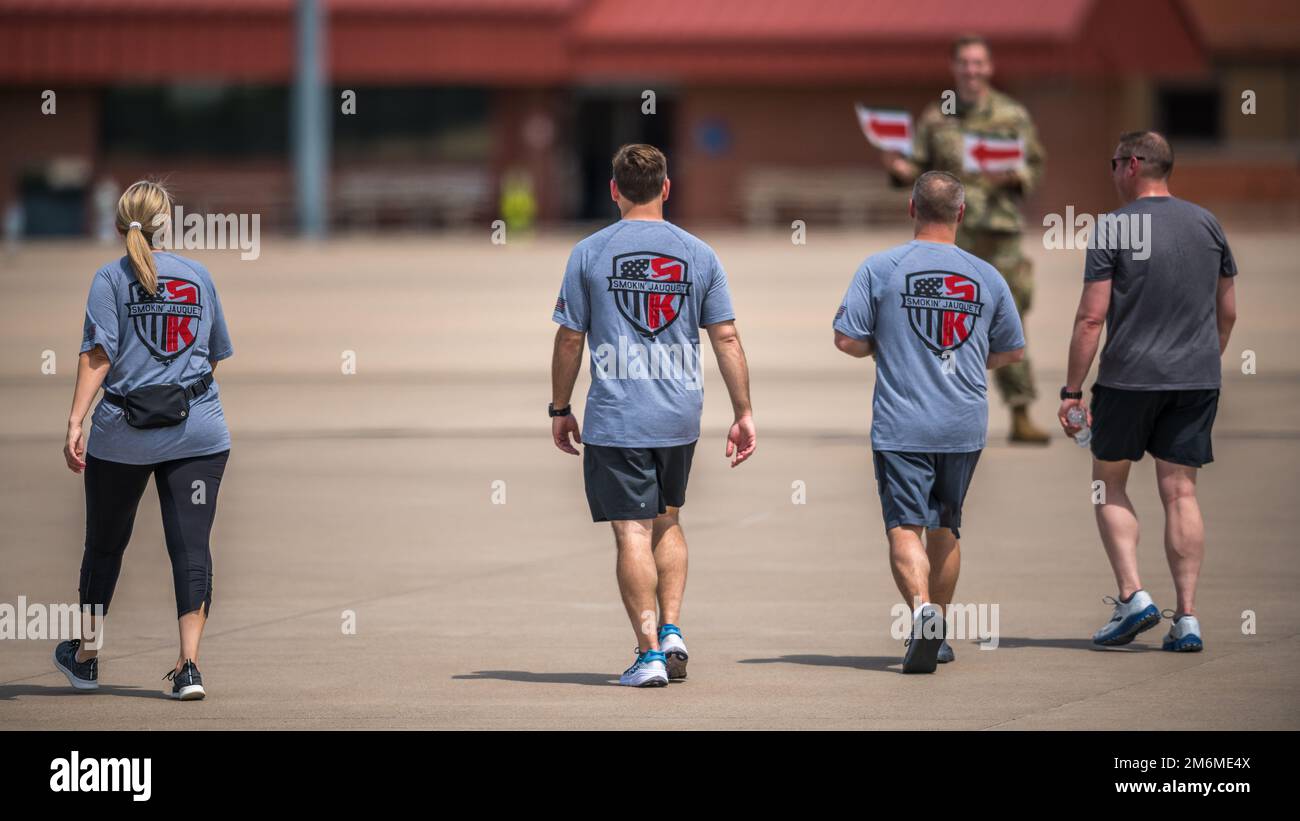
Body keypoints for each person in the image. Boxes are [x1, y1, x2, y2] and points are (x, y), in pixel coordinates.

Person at [550, 144, 756, 687]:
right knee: (668, 518)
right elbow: (726, 336)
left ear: (614, 190)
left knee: (631, 531)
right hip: (679, 417)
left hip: (617, 417)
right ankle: (671, 629)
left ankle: (648, 656)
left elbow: (571, 337)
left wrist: (559, 407)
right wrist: (743, 412)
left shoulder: (589, 253)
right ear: (666, 189)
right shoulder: (700, 254)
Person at [833, 171, 1025, 674]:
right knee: (946, 525)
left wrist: (888, 347)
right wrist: (961, 357)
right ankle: (938, 630)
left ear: (911, 209)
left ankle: (920, 613)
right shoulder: (987, 275)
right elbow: (1012, 351)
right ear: (961, 214)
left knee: (904, 526)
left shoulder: (881, 267)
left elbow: (846, 339)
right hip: (963, 423)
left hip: (903, 424)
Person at [55, 180, 234, 700]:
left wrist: (74, 420)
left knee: (105, 545)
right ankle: (189, 669)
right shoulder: (198, 277)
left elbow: (99, 354)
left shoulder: (109, 278)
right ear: (168, 224)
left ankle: (86, 657)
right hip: (198, 431)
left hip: (121, 436)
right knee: (191, 548)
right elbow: (214, 352)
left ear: (119, 225)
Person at [1059, 132, 1236, 653]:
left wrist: (1072, 391)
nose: (1112, 173)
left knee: (1108, 483)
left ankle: (1133, 596)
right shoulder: (1208, 224)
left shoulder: (1114, 227)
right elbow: (1228, 312)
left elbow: (1091, 318)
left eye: (1115, 163)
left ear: (1133, 164)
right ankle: (1187, 618)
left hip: (1128, 379)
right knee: (1180, 491)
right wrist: (1204, 359)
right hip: (1196, 378)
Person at [881, 34, 1049, 443]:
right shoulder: (938, 116)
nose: (972, 71)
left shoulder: (1011, 114)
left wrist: (1013, 176)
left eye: (979, 63)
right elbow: (920, 168)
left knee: (1009, 320)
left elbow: (1035, 164)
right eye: (965, 64)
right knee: (943, 321)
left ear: (989, 68)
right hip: (949, 236)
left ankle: (1021, 411)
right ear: (955, 69)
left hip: (997, 232)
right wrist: (900, 170)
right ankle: (940, 411)